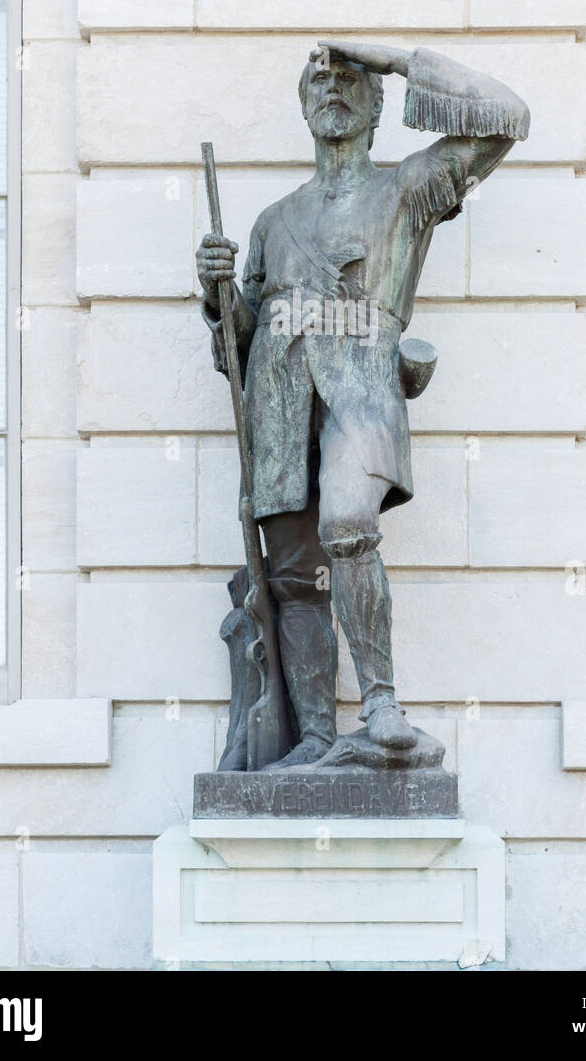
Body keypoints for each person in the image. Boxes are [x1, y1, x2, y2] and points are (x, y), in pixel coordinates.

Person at [197, 41, 529, 767]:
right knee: (290, 575)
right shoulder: (272, 220)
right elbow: (240, 345)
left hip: (361, 390)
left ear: (379, 105)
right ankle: (314, 737)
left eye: (350, 80)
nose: (334, 89)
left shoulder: (406, 191)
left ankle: (380, 700)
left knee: (348, 521)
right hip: (279, 403)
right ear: (303, 106)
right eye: (320, 81)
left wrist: (398, 57)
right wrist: (219, 296)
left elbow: (506, 117)